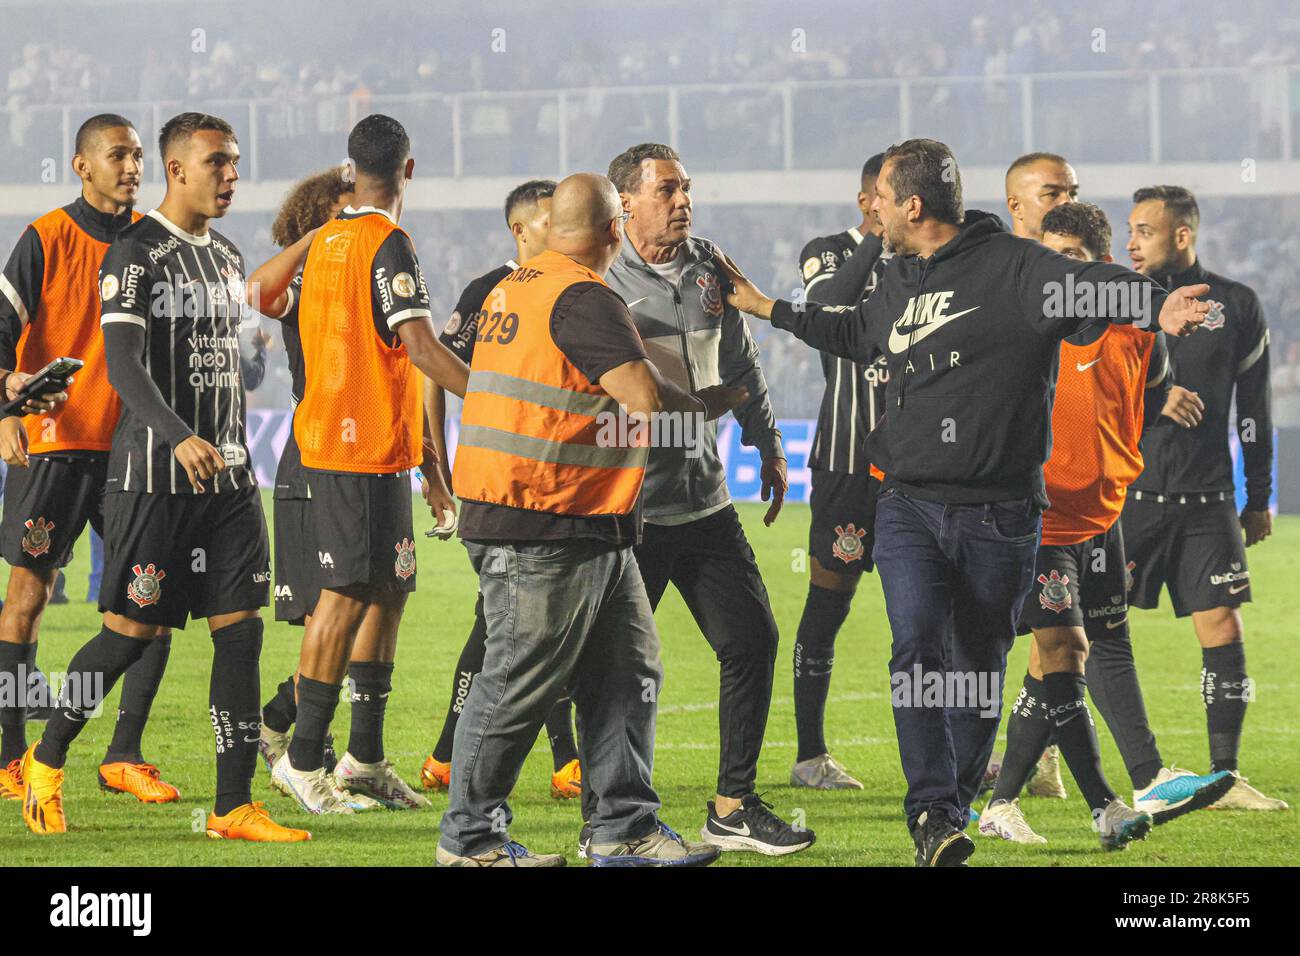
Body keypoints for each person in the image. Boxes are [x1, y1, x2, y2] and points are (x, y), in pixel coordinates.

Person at [714, 138, 1210, 866]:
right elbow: (852, 332)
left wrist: (1158, 305)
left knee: (978, 668)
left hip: (1003, 514)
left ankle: (952, 807)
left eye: (881, 196)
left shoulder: (1018, 267)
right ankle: (932, 816)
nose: (871, 208)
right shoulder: (897, 275)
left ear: (911, 206)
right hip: (909, 504)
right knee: (915, 647)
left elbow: (1097, 287)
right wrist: (765, 307)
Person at [438, 172, 741, 867]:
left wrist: (688, 402)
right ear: (613, 230)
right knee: (516, 682)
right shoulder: (587, 296)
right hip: (544, 521)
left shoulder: (518, 284)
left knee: (628, 672)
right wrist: (678, 411)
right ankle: (469, 843)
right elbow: (637, 394)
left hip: (569, 519)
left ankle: (622, 828)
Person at [21, 111, 309, 842]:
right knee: (127, 632)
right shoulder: (134, 254)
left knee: (240, 636)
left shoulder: (229, 257)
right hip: (153, 478)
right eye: (217, 163)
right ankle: (47, 755)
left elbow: (230, 365)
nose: (231, 176)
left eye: (236, 163)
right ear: (177, 171)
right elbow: (123, 365)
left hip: (231, 483)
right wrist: (178, 437)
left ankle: (232, 805)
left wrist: (247, 374)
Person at [979, 202, 1233, 849]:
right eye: (1049, 261)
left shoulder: (1138, 331)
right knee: (1067, 650)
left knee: (1060, 658)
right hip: (1042, 518)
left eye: (1072, 263)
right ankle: (1117, 798)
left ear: (1103, 267)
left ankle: (1001, 802)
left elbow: (1145, 403)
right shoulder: (1027, 327)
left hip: (1102, 515)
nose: (1059, 277)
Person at [602, 142, 812, 856]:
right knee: (617, 670)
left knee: (751, 638)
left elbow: (742, 359)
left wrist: (770, 442)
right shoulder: (599, 280)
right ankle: (613, 818)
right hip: (630, 508)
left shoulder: (706, 264)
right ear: (625, 201)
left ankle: (732, 804)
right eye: (666, 189)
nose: (682, 200)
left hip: (704, 502)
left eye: (686, 186)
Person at [270, 114, 469, 816]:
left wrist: (429, 466)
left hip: (374, 447)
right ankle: (301, 762)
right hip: (350, 453)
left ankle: (365, 758)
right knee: (348, 594)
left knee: (388, 592)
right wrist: (501, 396)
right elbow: (419, 349)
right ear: (408, 170)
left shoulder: (325, 242)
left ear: (351, 168)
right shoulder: (387, 243)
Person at [0, 114, 180, 807]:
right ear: (82, 165)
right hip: (53, 444)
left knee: (151, 603)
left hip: (135, 450)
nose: (132, 166)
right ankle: (13, 753)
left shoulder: (156, 242)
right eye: (118, 155)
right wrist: (8, 410)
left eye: (139, 155)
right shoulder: (46, 237)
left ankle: (123, 755)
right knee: (27, 599)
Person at [419, 179, 583, 801]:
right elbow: (432, 363)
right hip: (507, 482)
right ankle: (563, 763)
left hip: (557, 482)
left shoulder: (577, 287)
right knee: (533, 623)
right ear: (521, 230)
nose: (564, 230)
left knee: (506, 624)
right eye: (551, 221)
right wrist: (435, 458)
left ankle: (444, 756)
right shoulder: (490, 291)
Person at [1123, 185, 1286, 810]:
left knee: (1221, 624)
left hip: (1207, 499)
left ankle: (1223, 778)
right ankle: (1045, 755)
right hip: (1125, 495)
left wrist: (1258, 495)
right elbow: (1078, 387)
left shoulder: (1238, 305)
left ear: (1182, 236)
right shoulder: (1118, 300)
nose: (1131, 241)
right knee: (1071, 624)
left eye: (1145, 230)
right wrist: (1151, 398)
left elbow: (1255, 412)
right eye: (1129, 230)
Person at [244, 167, 382, 812]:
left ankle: (282, 727)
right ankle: (297, 750)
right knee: (330, 607)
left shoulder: (357, 271)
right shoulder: (305, 277)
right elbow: (258, 294)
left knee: (364, 602)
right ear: (323, 213)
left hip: (366, 451)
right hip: (316, 450)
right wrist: (323, 235)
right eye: (343, 206)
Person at [788, 152, 889, 790]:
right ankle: (810, 754)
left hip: (926, 468)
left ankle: (961, 753)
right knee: (830, 601)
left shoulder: (936, 258)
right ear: (865, 201)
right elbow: (823, 310)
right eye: (888, 194)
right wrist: (880, 241)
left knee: (937, 614)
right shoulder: (828, 251)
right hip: (848, 461)